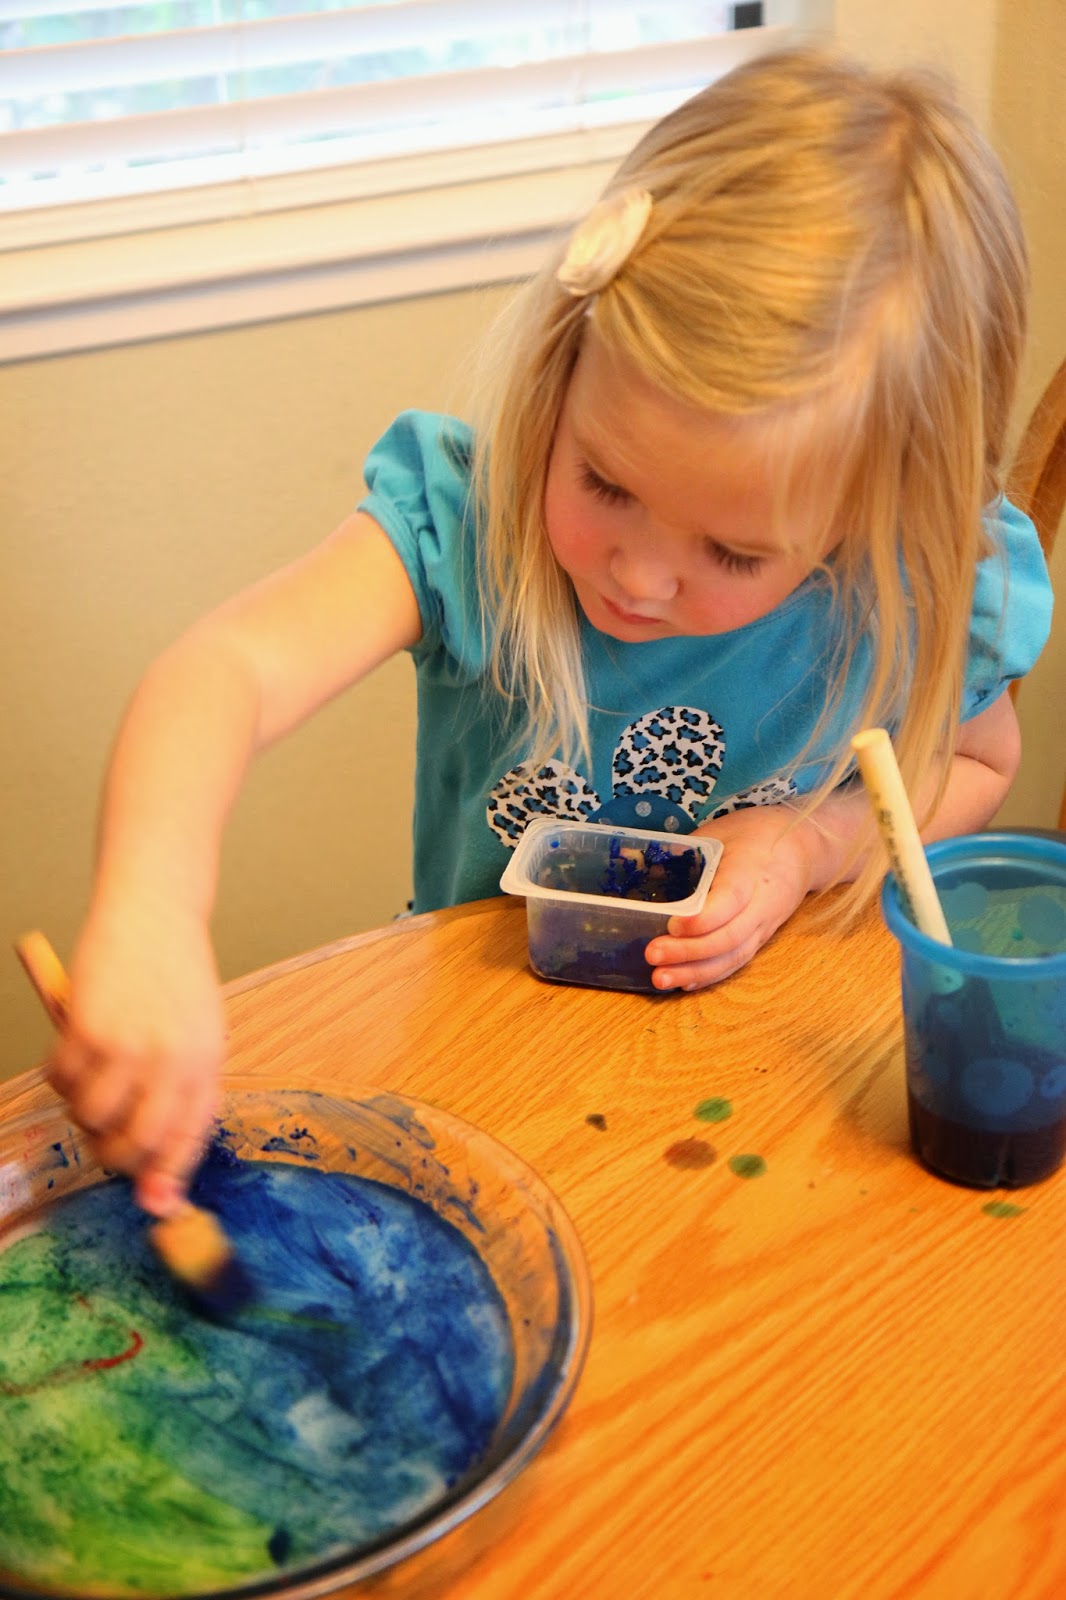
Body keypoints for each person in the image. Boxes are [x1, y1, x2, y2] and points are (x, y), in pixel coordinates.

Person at [48, 46, 1052, 1216]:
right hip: (479, 1099)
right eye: (603, 480)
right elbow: (222, 674)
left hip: (759, 1121)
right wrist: (151, 909)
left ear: (872, 521)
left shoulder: (912, 587)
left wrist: (806, 842)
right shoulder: (469, 526)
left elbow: (976, 763)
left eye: (733, 553)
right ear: (562, 371)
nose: (635, 573)